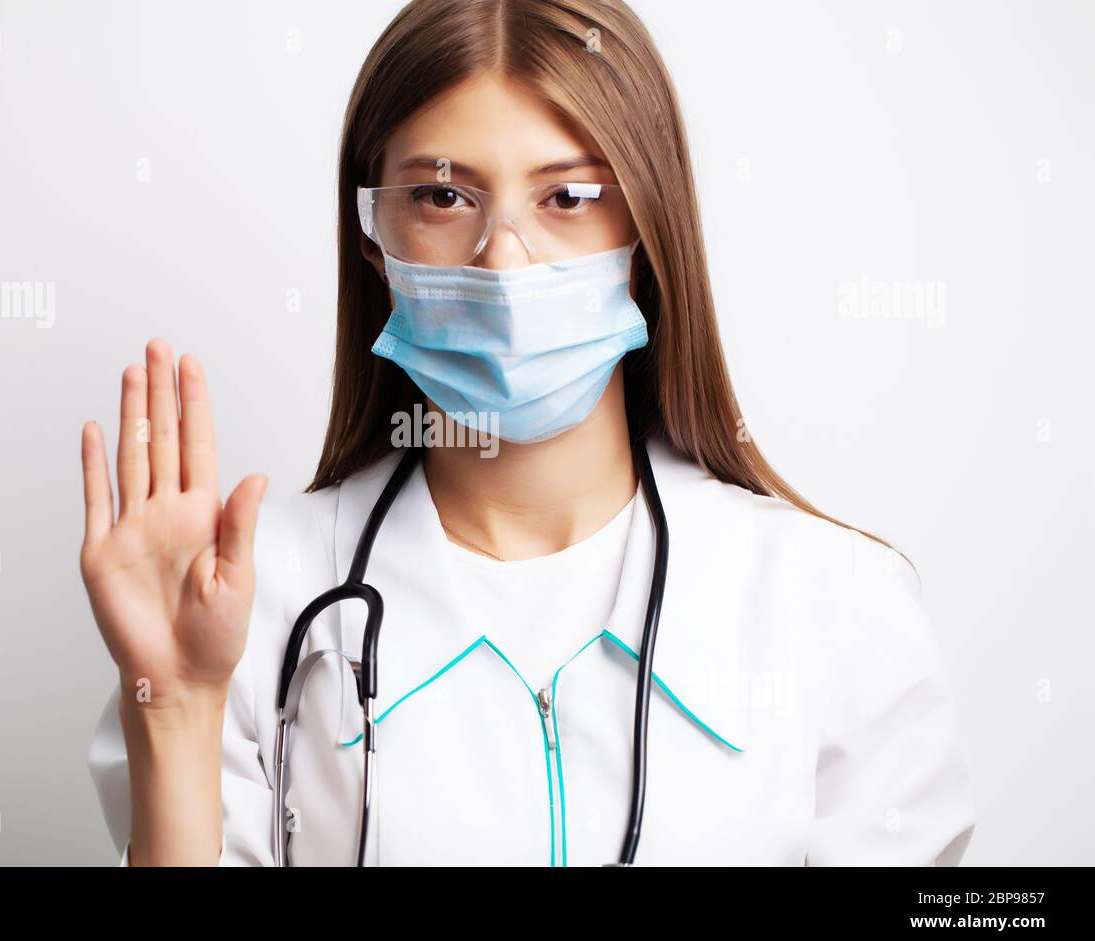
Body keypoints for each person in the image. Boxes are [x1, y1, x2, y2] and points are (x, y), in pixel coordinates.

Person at [81, 0, 975, 866]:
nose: (504, 262)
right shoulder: (247, 602)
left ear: (649, 224)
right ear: (371, 234)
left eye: (570, 196)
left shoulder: (835, 604)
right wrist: (176, 710)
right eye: (440, 196)